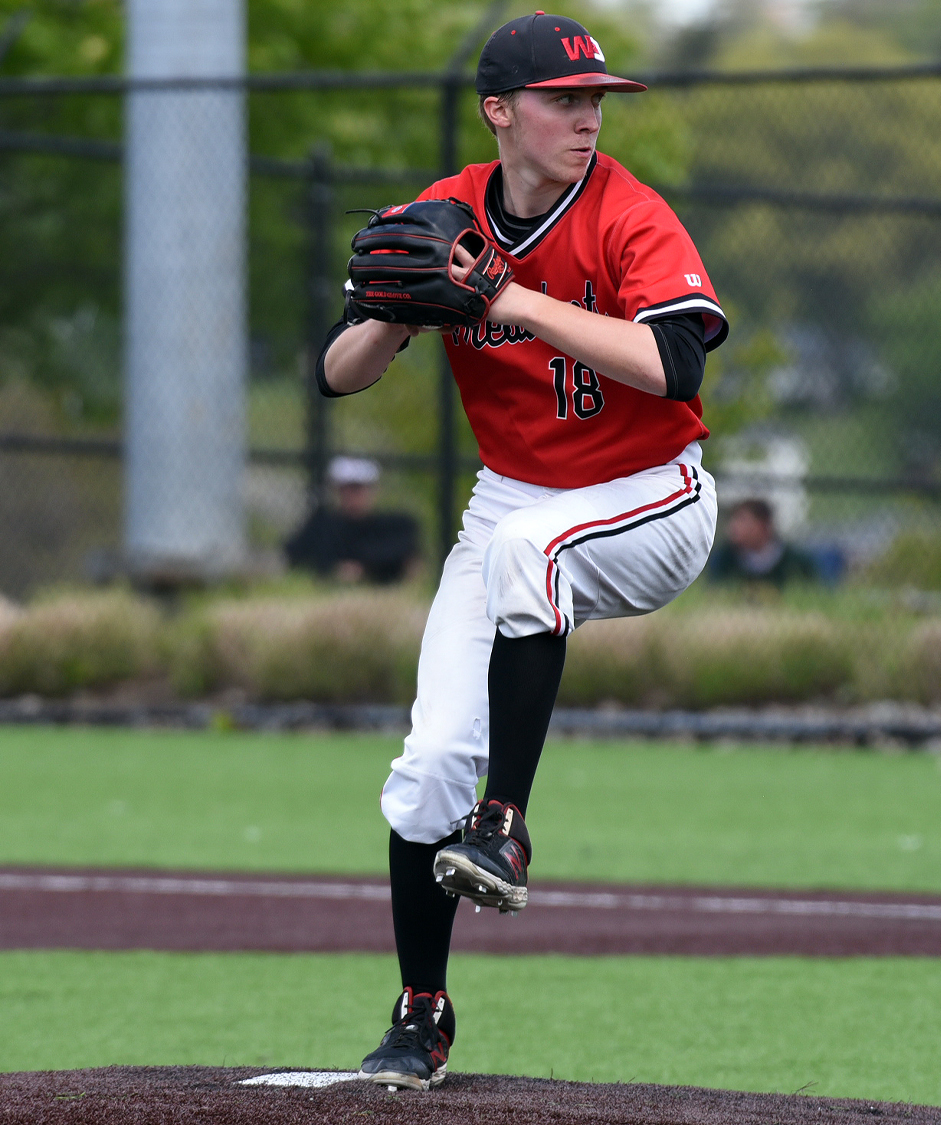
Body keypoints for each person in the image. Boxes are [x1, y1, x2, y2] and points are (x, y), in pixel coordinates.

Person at [316, 11, 727, 1092]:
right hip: (512, 500)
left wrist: (503, 296)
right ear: (499, 111)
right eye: (562, 100)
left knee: (529, 551)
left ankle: (504, 824)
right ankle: (421, 1012)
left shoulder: (628, 213)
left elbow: (676, 364)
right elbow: (337, 373)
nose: (587, 119)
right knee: (424, 771)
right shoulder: (445, 213)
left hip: (652, 494)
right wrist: (394, 312)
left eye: (596, 101)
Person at [284, 456, 420, 585]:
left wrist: (365, 569)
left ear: (374, 490)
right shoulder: (322, 526)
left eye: (358, 488)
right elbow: (293, 555)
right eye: (346, 488)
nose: (352, 495)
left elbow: (409, 561)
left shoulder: (395, 525)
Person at [708, 497, 819, 588]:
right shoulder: (724, 559)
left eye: (743, 520)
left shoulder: (794, 563)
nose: (734, 527)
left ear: (764, 525)